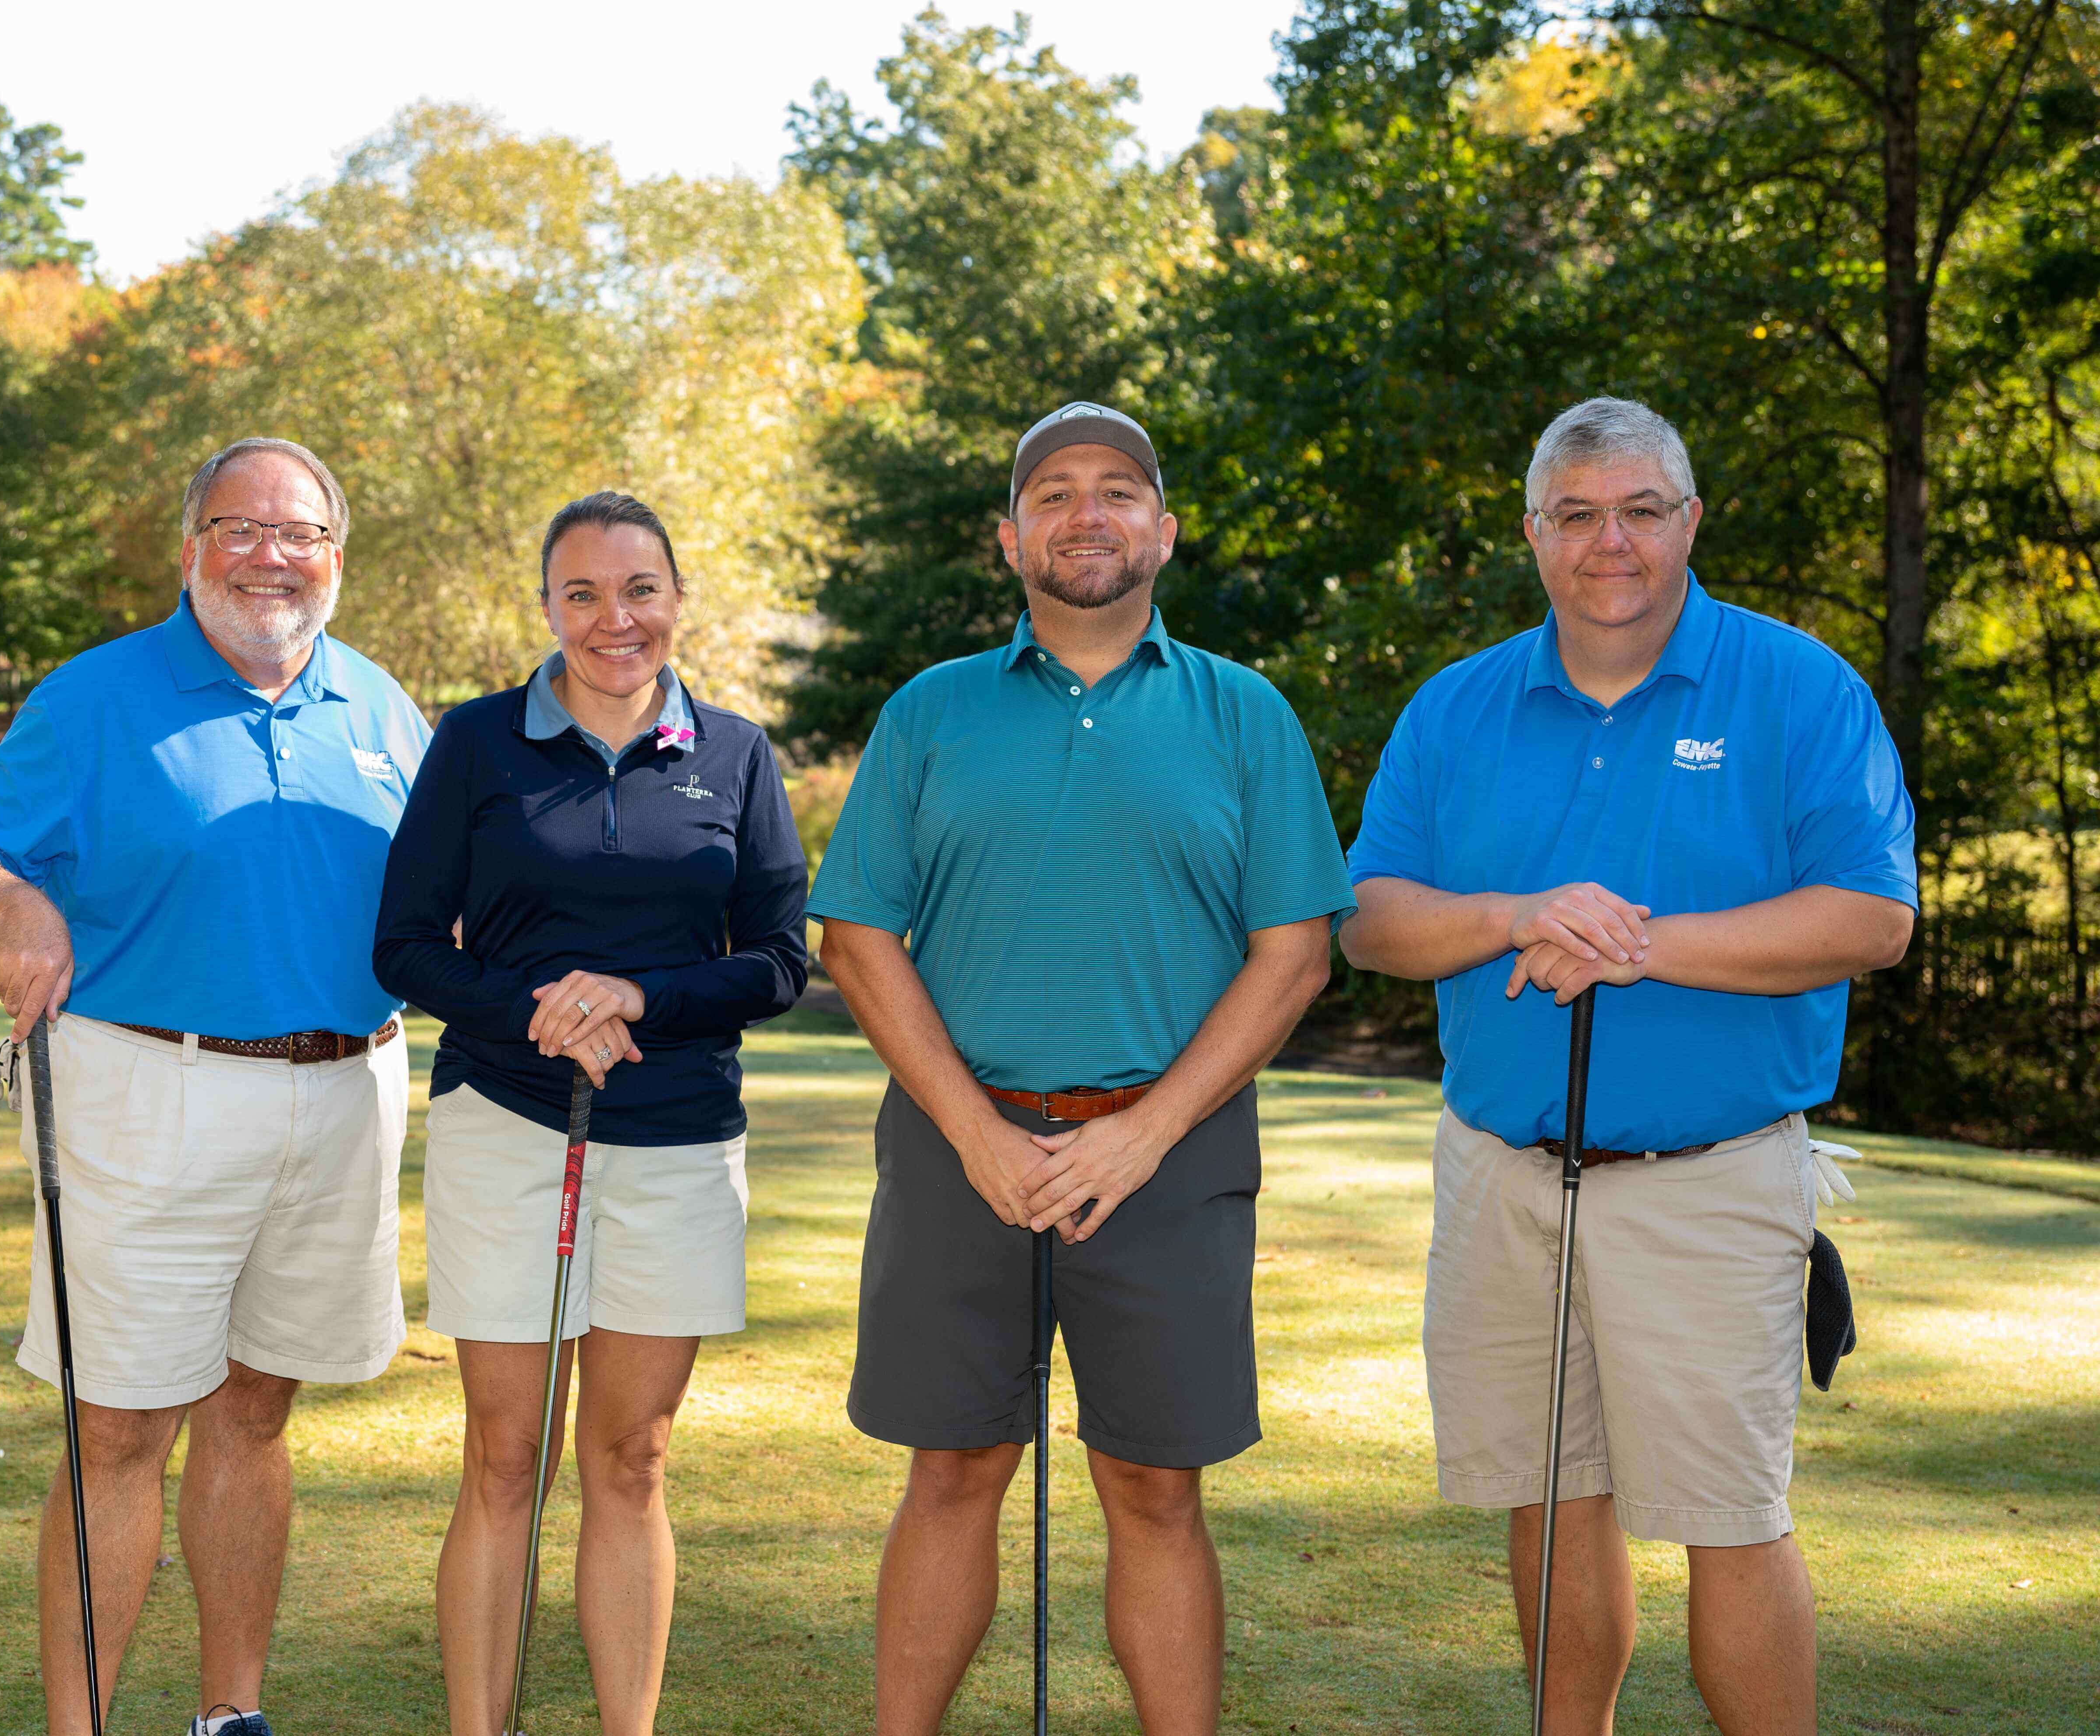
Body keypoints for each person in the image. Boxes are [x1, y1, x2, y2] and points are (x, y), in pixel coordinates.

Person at [1339, 397, 1917, 1736]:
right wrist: (1518, 916)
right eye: (1579, 514)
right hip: (1503, 1173)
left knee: (1730, 1516)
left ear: (1691, 520)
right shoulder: (1458, 706)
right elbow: (1369, 919)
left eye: (1642, 510)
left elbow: (1872, 918)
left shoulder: (1796, 687)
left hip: (1710, 1181)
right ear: (1534, 533)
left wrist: (1634, 943)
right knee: (1553, 1499)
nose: (1613, 542)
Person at [809, 403, 1355, 1736]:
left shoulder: (1246, 712)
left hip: (1169, 1154)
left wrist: (1146, 1135)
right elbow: (858, 934)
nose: (1087, 513)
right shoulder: (932, 712)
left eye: (1118, 491)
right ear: (1010, 540)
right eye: (1053, 494)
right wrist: (978, 1135)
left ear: (1164, 532)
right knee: (953, 1470)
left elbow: (1294, 956)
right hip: (959, 1148)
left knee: (1159, 1489)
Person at [0, 437, 432, 1736]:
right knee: (121, 1430)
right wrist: (17, 898)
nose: (271, 554)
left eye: (299, 531)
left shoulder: (380, 706)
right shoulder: (96, 698)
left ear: (337, 554)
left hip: (345, 1095)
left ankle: (228, 1716)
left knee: (257, 1412)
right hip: (146, 1092)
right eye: (238, 526)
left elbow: (454, 902)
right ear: (191, 545)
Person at [372, 490, 808, 1736]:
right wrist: (540, 1010)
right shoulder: (476, 744)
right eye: (583, 594)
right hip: (508, 1127)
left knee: (634, 1460)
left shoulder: (735, 752)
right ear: (549, 607)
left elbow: (780, 958)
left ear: (677, 599)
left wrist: (643, 995)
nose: (615, 619)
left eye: (639, 591)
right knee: (507, 1459)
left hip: (679, 1140)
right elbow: (404, 946)